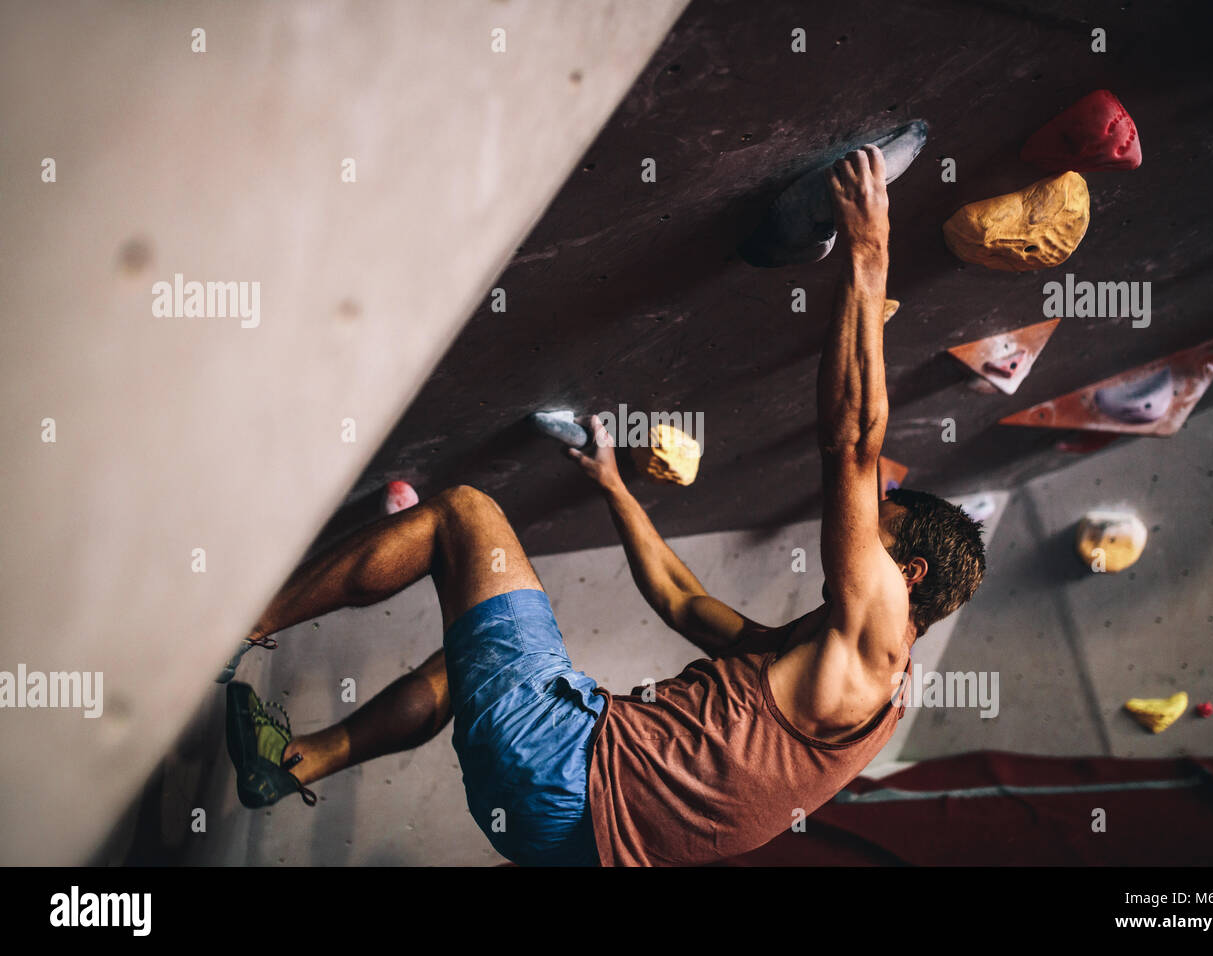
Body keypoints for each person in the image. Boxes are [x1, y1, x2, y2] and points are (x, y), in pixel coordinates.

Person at [225, 144, 986, 865]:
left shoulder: (878, 645)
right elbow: (684, 603)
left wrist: (869, 248)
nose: (856, 527)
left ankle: (237, 630)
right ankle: (295, 763)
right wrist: (618, 491)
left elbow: (851, 444)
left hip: (559, 760)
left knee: (464, 516)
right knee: (474, 652)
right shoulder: (835, 675)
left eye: (877, 526)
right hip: (549, 834)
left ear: (910, 574)